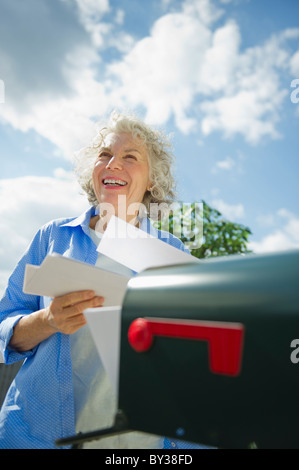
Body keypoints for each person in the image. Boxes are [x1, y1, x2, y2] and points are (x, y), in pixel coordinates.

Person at [0, 111, 206, 449]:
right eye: (105, 155)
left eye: (130, 157)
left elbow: (195, 359)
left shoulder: (172, 253)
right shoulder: (51, 236)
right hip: (37, 436)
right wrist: (47, 320)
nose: (113, 164)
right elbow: (2, 329)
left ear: (152, 180)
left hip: (139, 444)